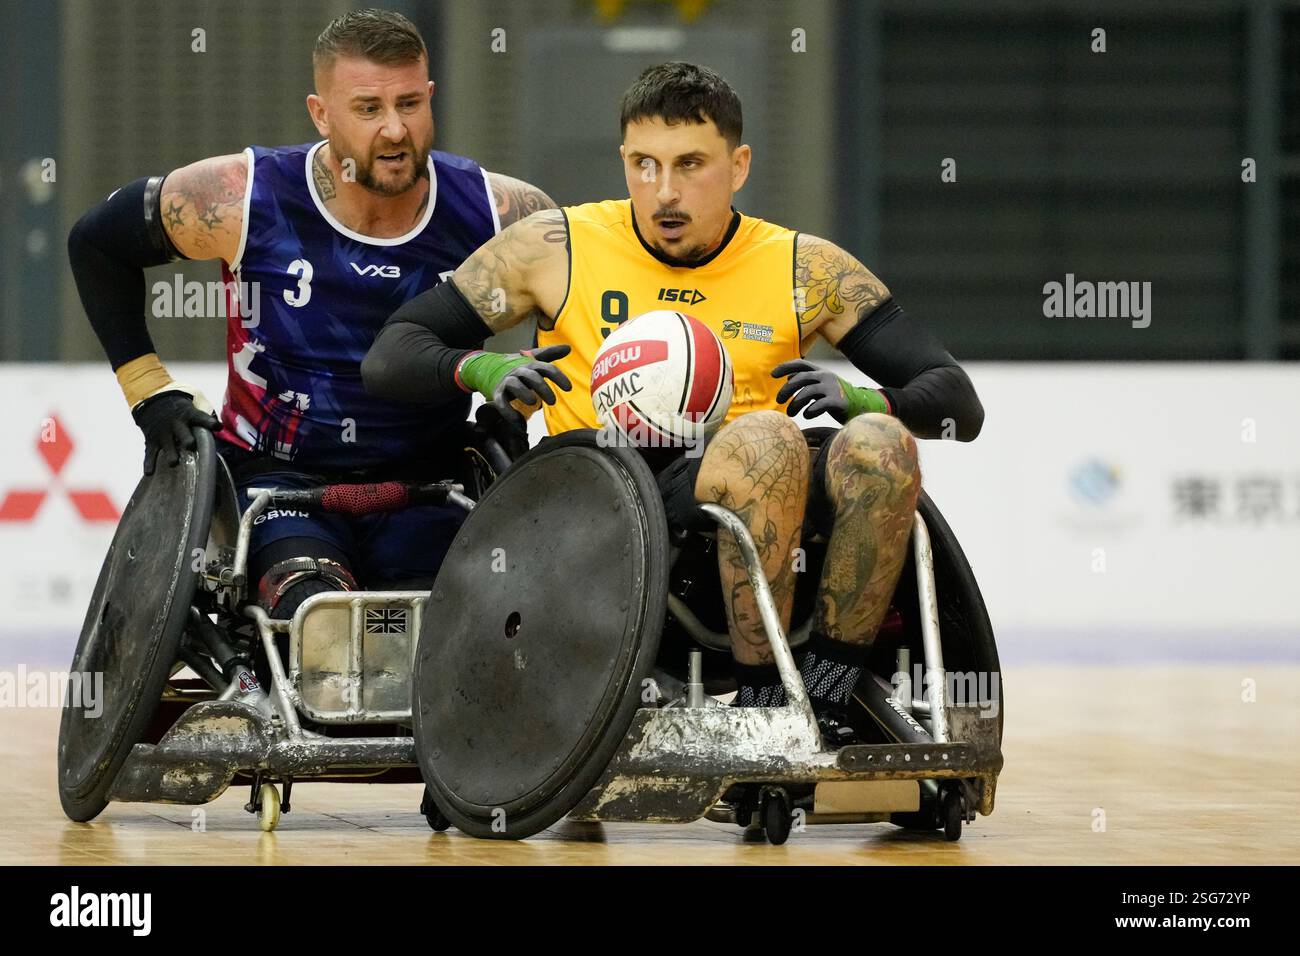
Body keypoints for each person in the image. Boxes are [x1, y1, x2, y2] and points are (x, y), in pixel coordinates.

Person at [363, 62, 983, 742]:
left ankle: (829, 693)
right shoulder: (553, 247)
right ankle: (764, 702)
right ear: (623, 161)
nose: (665, 191)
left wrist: (863, 396)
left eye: (690, 164)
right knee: (768, 442)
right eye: (644, 165)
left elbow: (957, 401)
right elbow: (393, 354)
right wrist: (481, 366)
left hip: (752, 494)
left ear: (739, 165)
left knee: (881, 447)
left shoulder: (805, 267)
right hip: (601, 503)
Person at [68, 9, 553, 619]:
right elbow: (95, 242)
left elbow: (573, 302)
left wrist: (515, 406)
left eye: (409, 103)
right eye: (368, 109)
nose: (395, 130)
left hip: (429, 483)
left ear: (431, 97)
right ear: (321, 114)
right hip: (278, 484)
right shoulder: (243, 195)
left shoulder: (500, 209)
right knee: (316, 621)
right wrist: (150, 393)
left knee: (447, 629)